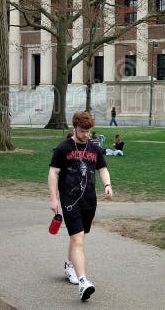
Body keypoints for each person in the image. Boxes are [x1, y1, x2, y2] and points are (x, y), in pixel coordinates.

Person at [48, 111, 112, 302]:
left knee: (79, 236)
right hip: (70, 201)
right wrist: (54, 199)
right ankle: (83, 281)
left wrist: (107, 185)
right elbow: (53, 173)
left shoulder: (94, 149)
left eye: (88, 131)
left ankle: (69, 265)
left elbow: (102, 168)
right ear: (75, 127)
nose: (86, 134)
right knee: (78, 240)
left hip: (90, 202)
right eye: (83, 131)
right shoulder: (64, 148)